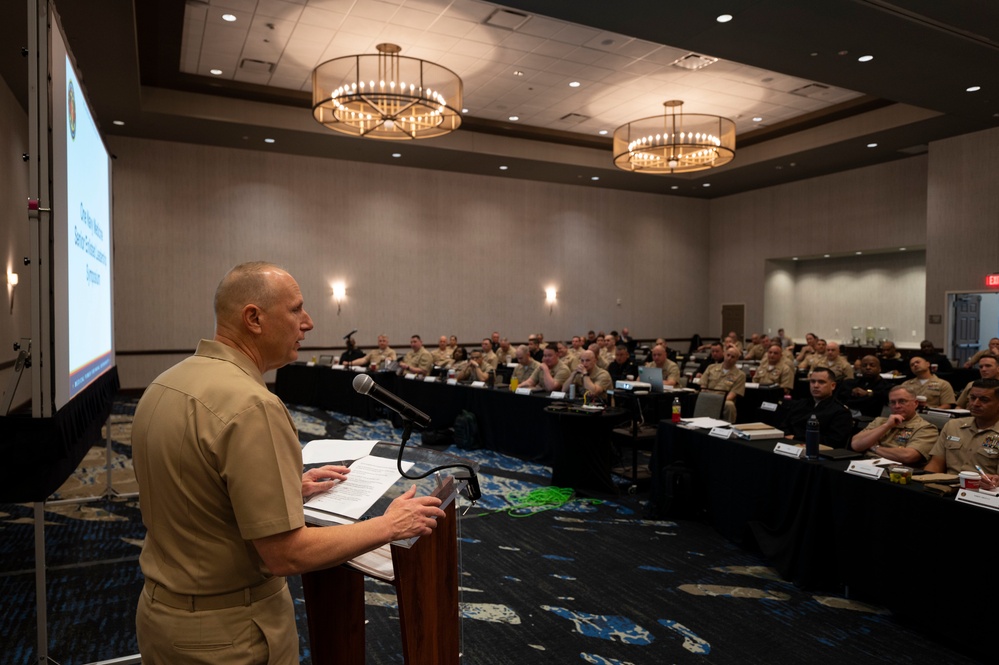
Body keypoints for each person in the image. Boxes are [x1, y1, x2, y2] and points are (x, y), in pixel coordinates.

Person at [131, 262, 445, 663]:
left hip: (162, 619)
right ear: (253, 318)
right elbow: (286, 554)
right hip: (228, 635)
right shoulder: (253, 405)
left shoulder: (166, 383)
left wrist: (285, 489)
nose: (308, 322)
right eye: (296, 309)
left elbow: (188, 489)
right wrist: (390, 524)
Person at [924, 379, 999, 487]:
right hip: (947, 487)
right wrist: (925, 483)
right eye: (972, 398)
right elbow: (936, 464)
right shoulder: (953, 426)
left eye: (984, 400)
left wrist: (994, 481)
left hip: (982, 492)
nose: (975, 404)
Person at [848, 386, 939, 465]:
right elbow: (856, 444)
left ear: (915, 403)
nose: (897, 406)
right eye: (892, 402)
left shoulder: (926, 428)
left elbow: (908, 456)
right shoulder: (880, 421)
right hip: (865, 464)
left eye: (902, 401)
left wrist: (873, 447)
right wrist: (886, 425)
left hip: (896, 472)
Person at [780, 367, 853, 449]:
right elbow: (784, 425)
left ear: (833, 386)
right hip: (787, 445)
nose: (816, 385)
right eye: (812, 381)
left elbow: (833, 441)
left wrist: (796, 438)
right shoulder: (799, 404)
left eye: (821, 382)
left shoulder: (840, 412)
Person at [699, 345, 746, 423]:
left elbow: (732, 395)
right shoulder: (711, 367)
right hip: (707, 396)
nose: (729, 358)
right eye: (728, 355)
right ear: (724, 354)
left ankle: (728, 427)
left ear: (737, 359)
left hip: (724, 400)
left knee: (730, 405)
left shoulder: (740, 375)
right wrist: (706, 396)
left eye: (733, 357)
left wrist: (717, 401)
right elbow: (703, 385)